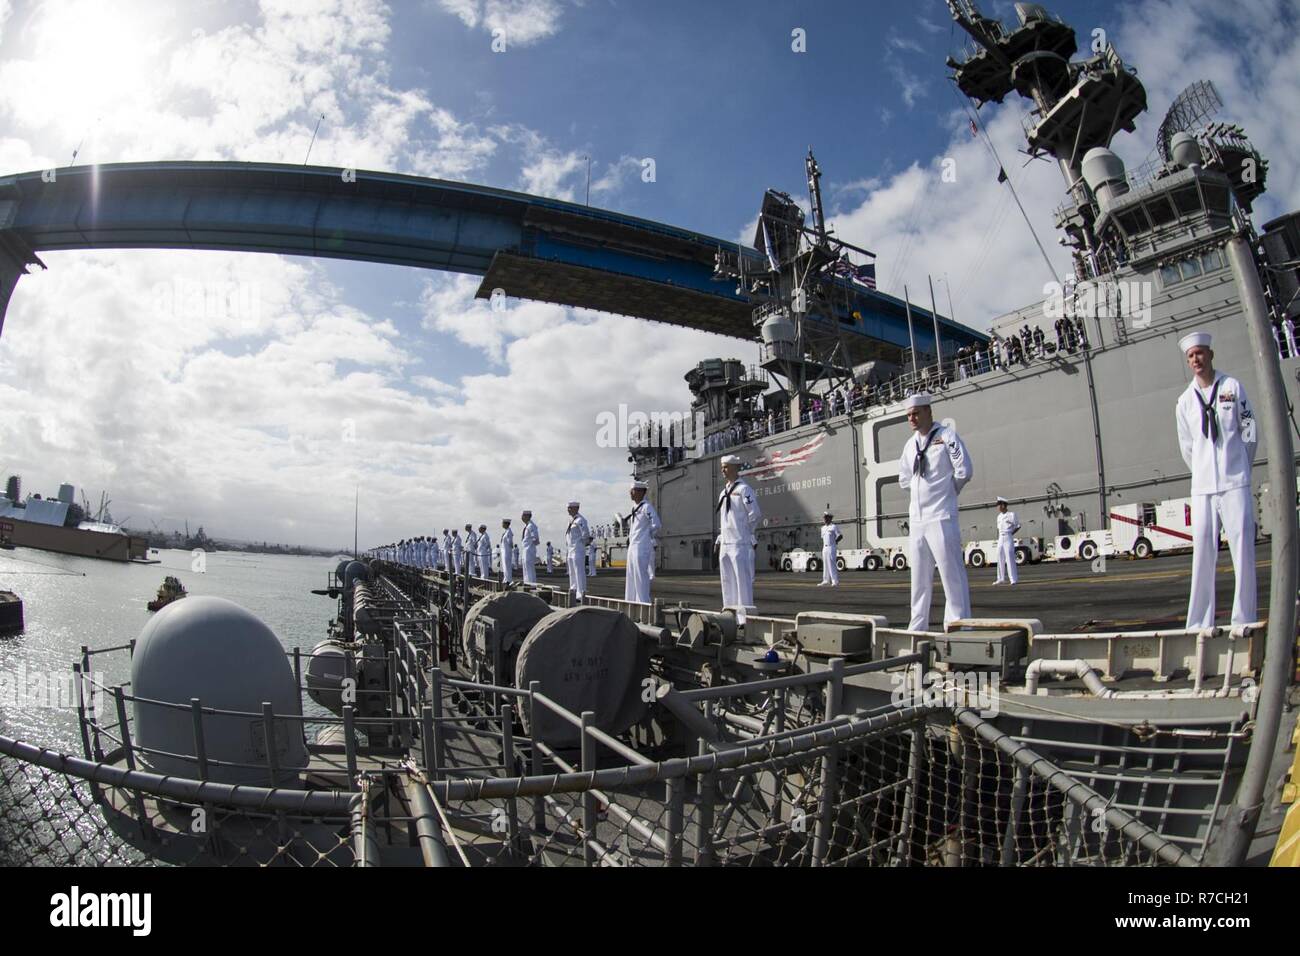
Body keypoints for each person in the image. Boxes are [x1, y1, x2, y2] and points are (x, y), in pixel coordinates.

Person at [1175, 332, 1258, 629]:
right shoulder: (1184, 402)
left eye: (1200, 353)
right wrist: (1202, 471)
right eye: (1190, 356)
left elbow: (1248, 430)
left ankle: (1244, 620)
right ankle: (1198, 623)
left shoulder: (1232, 387)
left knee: (1243, 552)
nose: (1196, 359)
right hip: (1203, 489)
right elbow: (1187, 446)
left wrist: (1239, 469)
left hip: (1235, 482)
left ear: (1210, 354)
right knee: (1202, 554)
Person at [897, 392, 973, 630]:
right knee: (918, 581)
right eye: (909, 415)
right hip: (918, 520)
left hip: (941, 517)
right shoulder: (910, 446)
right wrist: (922, 493)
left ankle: (958, 626)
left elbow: (964, 470)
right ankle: (917, 628)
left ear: (929, 412)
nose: (912, 419)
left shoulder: (946, 436)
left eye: (916, 413)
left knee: (952, 577)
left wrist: (946, 494)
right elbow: (904, 479)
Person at [715, 453, 761, 620]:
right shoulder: (723, 493)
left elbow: (755, 514)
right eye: (722, 467)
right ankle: (729, 616)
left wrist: (745, 532)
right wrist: (721, 536)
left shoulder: (743, 490)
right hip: (726, 543)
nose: (723, 470)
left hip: (739, 543)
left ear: (735, 468)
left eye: (726, 467)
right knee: (727, 582)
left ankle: (744, 618)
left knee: (742, 583)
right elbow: (725, 518)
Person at [624, 479, 661, 603]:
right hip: (633, 546)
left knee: (641, 577)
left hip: (641, 546)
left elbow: (657, 524)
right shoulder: (634, 508)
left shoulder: (646, 507)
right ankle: (631, 602)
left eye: (633, 491)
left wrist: (646, 535)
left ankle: (643, 603)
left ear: (641, 492)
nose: (630, 493)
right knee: (631, 577)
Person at [565, 501, 591, 599]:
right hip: (571, 549)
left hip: (577, 549)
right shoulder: (571, 520)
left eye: (570, 508)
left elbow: (585, 535)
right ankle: (573, 589)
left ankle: (581, 592)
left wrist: (580, 545)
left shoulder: (581, 520)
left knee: (579, 571)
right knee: (572, 571)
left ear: (576, 508)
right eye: (568, 508)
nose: (568, 510)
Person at [994, 497, 1020, 585]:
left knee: (1009, 557)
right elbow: (998, 529)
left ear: (1003, 505)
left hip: (1008, 536)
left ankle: (1013, 579)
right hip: (1001, 537)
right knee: (999, 556)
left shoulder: (1012, 514)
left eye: (998, 505)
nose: (997, 507)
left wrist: (1011, 534)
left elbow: (1018, 526)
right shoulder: (999, 517)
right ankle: (1000, 578)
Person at [819, 511, 842, 587]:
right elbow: (823, 538)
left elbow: (840, 536)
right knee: (825, 564)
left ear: (830, 518)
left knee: (832, 564)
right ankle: (826, 580)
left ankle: (835, 581)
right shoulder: (823, 528)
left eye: (826, 517)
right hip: (824, 547)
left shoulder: (834, 526)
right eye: (824, 517)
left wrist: (835, 542)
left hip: (831, 547)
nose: (824, 519)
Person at [520, 510, 540, 585]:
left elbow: (536, 539)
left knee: (529, 569)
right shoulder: (527, 526)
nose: (522, 517)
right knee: (525, 569)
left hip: (529, 550)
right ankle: (527, 584)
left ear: (528, 516)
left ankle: (531, 585)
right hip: (525, 550)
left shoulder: (531, 526)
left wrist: (531, 546)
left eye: (523, 516)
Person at [499, 518, 514, 584]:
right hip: (504, 551)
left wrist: (509, 549)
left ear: (506, 524)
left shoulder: (509, 532)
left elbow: (510, 542)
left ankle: (509, 580)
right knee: (504, 566)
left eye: (503, 523)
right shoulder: (506, 531)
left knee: (507, 566)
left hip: (507, 551)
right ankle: (506, 579)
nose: (502, 524)